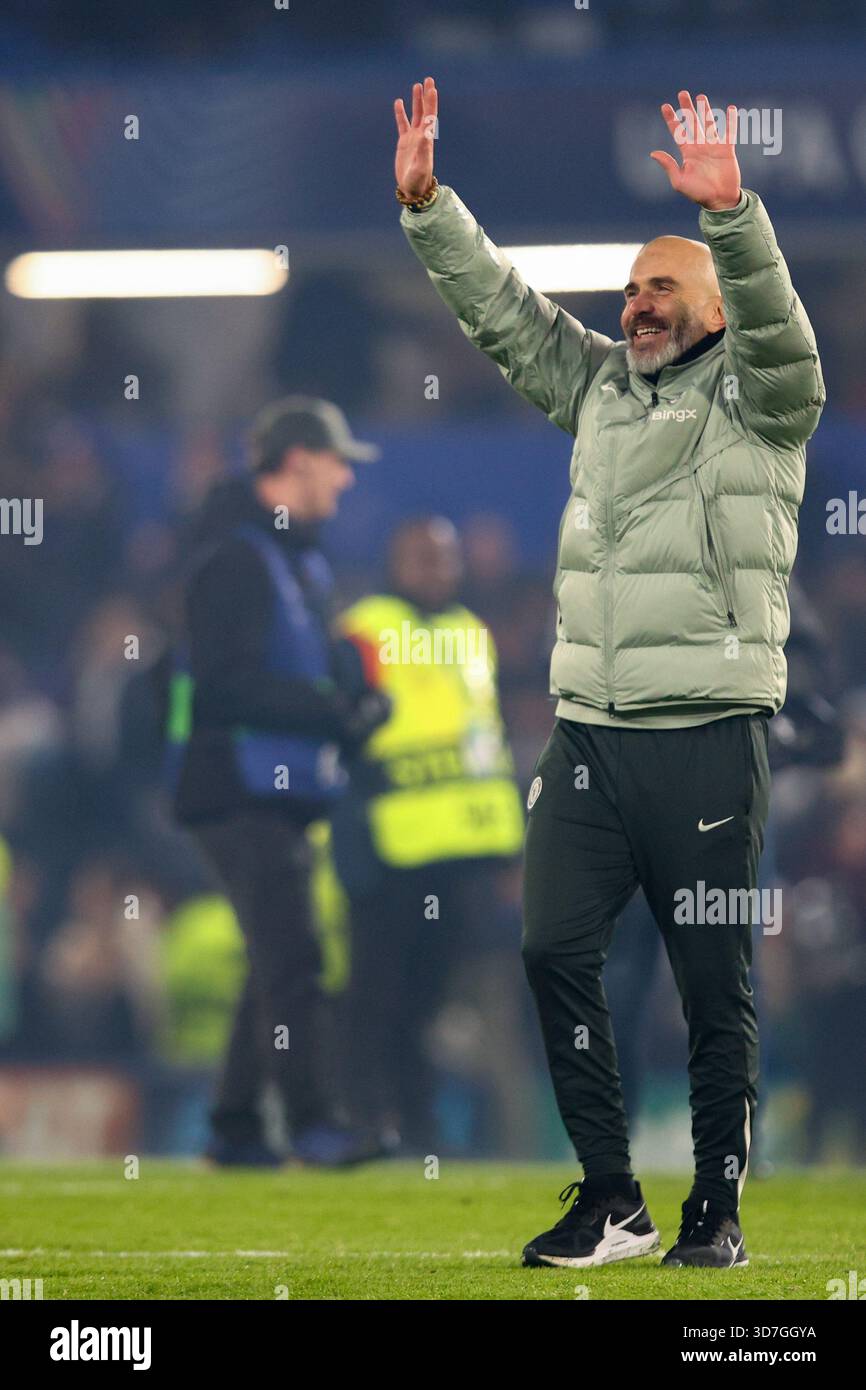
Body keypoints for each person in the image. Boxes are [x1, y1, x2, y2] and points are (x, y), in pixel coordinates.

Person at [394, 80, 824, 1267]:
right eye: (629, 288)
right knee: (547, 949)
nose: (634, 306)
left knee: (707, 986)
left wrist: (732, 220)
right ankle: (610, 1197)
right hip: (587, 730)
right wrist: (431, 208)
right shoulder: (594, 388)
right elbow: (504, 312)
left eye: (660, 289)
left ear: (714, 312)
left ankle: (715, 1211)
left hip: (706, 729)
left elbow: (782, 332)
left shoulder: (761, 401)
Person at [170, 396, 391, 1167]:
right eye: (336, 464)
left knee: (276, 954)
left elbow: (283, 676)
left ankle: (234, 1128)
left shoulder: (293, 557)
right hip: (235, 788)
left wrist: (354, 705)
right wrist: (332, 710)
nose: (344, 481)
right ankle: (313, 1124)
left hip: (274, 788)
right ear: (297, 462)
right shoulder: (235, 556)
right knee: (293, 954)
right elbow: (223, 686)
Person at [331, 516, 526, 1153]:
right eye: (420, 556)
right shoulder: (366, 629)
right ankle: (364, 1119)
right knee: (375, 994)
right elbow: (341, 725)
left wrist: (508, 843)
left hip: (465, 852)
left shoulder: (472, 633)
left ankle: (418, 1124)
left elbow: (484, 741)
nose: (435, 568)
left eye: (444, 557)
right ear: (393, 562)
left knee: (432, 1001)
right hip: (390, 846)